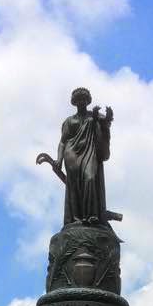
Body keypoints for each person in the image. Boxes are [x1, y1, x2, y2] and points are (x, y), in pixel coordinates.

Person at [56, 87, 112, 226]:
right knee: (74, 184)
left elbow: (106, 125)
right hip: (72, 153)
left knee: (90, 178)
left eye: (84, 99)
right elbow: (63, 141)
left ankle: (91, 215)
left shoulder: (95, 116)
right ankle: (76, 218)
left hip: (90, 152)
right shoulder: (69, 121)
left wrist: (107, 117)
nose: (81, 101)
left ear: (88, 101)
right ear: (74, 102)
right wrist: (59, 159)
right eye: (78, 99)